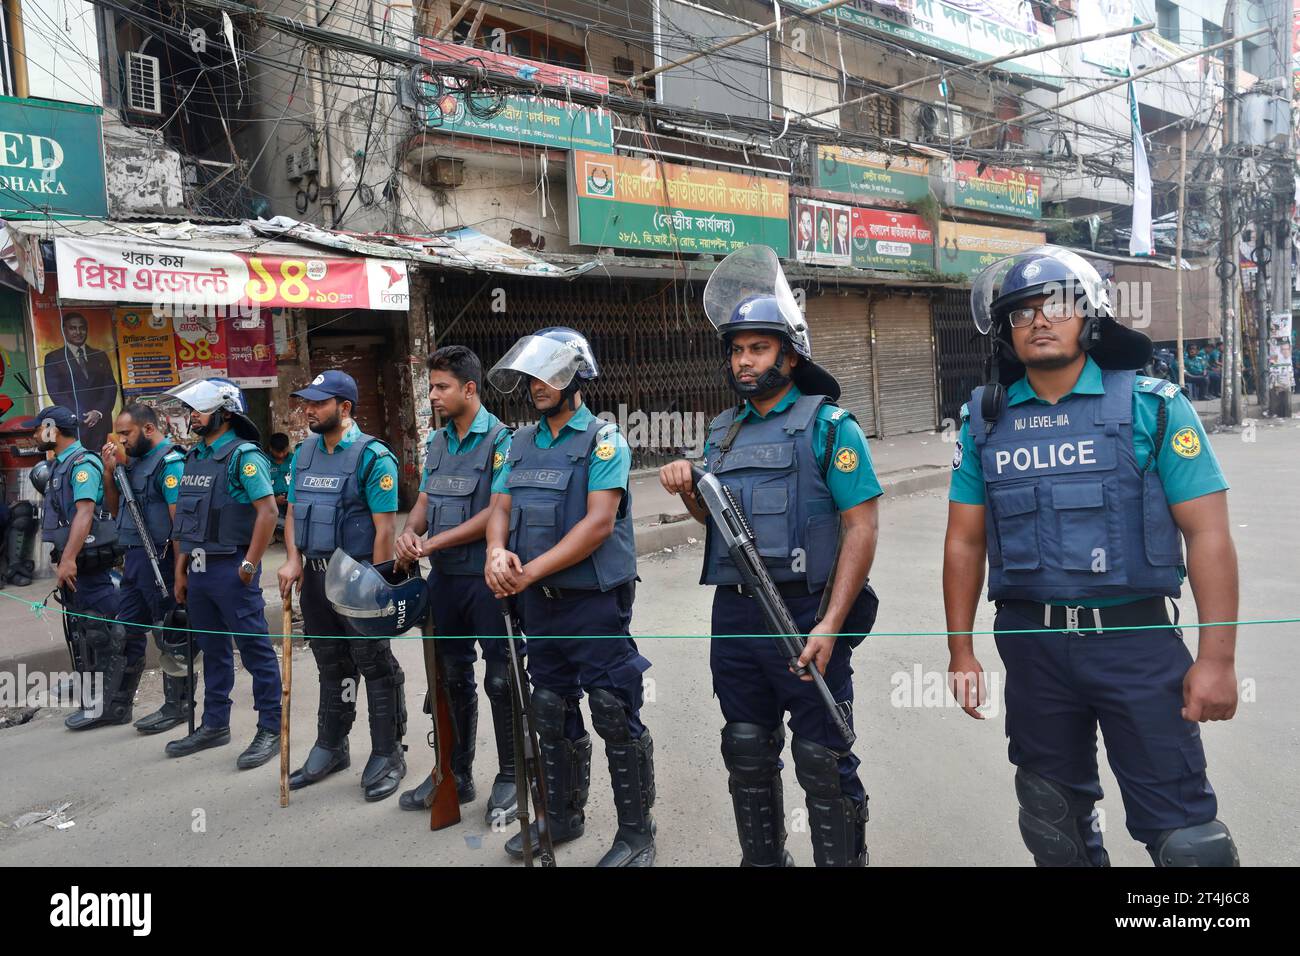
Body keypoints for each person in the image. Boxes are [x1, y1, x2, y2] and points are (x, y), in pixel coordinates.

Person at [944, 246, 1240, 867]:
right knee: (1054, 825)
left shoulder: (1152, 405)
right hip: (1034, 650)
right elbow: (964, 540)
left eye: (1056, 305)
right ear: (1006, 331)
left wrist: (1217, 658)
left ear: (1091, 316)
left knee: (1189, 841)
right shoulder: (982, 423)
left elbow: (1208, 534)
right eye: (1021, 312)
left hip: (1136, 640)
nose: (1039, 321)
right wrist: (961, 650)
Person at [659, 245, 881, 867]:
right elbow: (715, 522)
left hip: (805, 612)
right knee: (747, 748)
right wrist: (689, 489)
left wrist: (831, 625)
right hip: (735, 617)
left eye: (758, 348)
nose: (744, 360)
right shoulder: (721, 431)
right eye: (736, 349)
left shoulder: (830, 425)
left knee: (822, 757)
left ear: (788, 353)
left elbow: (861, 527)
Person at [484, 326, 656, 867]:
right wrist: (495, 554)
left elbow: (598, 524)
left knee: (611, 707)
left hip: (593, 599)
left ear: (577, 376)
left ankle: (637, 833)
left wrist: (526, 570)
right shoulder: (517, 442)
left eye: (550, 374)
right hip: (538, 599)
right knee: (550, 706)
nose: (538, 384)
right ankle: (562, 814)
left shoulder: (604, 440)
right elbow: (501, 510)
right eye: (533, 375)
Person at [394, 346, 520, 823]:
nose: (433, 396)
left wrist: (433, 542)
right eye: (431, 387)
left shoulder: (503, 441)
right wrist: (411, 533)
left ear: (470, 389)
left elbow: (497, 509)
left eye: (441, 387)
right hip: (444, 580)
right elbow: (425, 499)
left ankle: (511, 776)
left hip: (488, 581)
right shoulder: (439, 442)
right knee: (448, 677)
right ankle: (454, 772)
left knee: (503, 678)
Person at [277, 371, 408, 801]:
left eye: (318, 403)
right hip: (315, 578)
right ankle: (332, 745)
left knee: (374, 664)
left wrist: (380, 583)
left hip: (357, 578)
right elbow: (294, 511)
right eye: (306, 403)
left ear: (345, 408)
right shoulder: (305, 453)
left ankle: (388, 753)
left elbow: (384, 529)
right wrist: (293, 561)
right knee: (332, 664)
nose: (308, 410)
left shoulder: (373, 457)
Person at [162, 378, 283, 769]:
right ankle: (215, 724)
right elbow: (186, 522)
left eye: (198, 409)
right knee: (212, 651)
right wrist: (181, 571)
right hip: (197, 571)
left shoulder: (243, 456)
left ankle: (270, 727)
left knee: (254, 650)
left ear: (225, 413)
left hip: (232, 568)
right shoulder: (195, 457)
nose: (191, 416)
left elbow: (268, 512)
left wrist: (249, 564)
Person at [26, 405, 132, 730]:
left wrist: (69, 558)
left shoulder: (82, 463)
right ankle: (95, 695)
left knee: (104, 634)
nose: (33, 435)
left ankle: (111, 705)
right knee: (84, 634)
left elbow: (85, 512)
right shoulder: (60, 464)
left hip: (89, 565)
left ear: (51, 430)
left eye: (37, 429)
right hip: (77, 565)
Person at [99, 402, 195, 735]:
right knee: (124, 631)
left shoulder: (170, 463)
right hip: (134, 559)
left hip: (162, 560)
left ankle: (179, 705)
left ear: (149, 429)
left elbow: (179, 522)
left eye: (126, 433)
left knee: (171, 634)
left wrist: (181, 571)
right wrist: (110, 473)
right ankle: (117, 704)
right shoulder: (132, 462)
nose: (120, 440)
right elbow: (115, 510)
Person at [43, 312, 119, 453]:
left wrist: (98, 412)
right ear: (64, 330)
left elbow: (110, 387)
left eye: (82, 328)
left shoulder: (100, 355)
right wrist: (82, 415)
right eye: (73, 328)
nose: (78, 332)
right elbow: (56, 392)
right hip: (75, 425)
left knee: (103, 465)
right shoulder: (54, 358)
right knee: (79, 465)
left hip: (101, 424)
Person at [266, 432, 292, 541]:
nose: (281, 455)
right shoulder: (264, 461)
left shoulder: (295, 459)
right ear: (271, 448)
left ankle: (281, 532)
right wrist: (274, 500)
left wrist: (291, 499)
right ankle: (280, 531)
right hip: (272, 502)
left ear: (288, 447)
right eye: (278, 452)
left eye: (284, 451)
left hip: (292, 502)